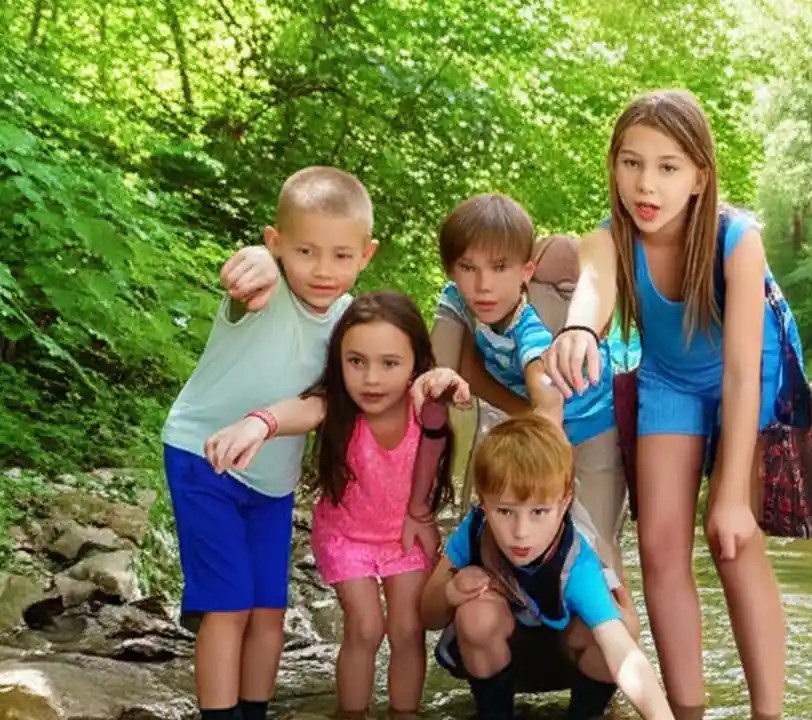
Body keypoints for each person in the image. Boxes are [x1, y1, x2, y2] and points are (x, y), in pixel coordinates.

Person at [541, 89, 804, 720]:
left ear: (699, 177)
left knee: (732, 539)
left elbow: (742, 373)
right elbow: (595, 288)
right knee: (659, 547)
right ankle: (687, 710)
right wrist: (578, 330)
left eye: (666, 167)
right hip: (668, 379)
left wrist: (733, 493)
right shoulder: (607, 237)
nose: (646, 184)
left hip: (748, 376)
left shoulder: (737, 239)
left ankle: (769, 712)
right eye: (631, 163)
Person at [160, 166, 377, 720]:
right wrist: (256, 266)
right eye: (306, 252)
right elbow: (248, 281)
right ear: (276, 243)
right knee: (227, 606)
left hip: (272, 479)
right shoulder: (266, 287)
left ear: (366, 255)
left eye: (341, 255)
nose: (323, 270)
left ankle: (252, 711)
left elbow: (333, 401)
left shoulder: (351, 321)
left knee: (268, 613)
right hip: (203, 454)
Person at [205, 291, 469, 718]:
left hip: (404, 529)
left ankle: (406, 713)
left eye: (389, 363)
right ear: (338, 361)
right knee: (366, 627)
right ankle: (351, 714)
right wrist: (260, 423)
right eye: (356, 361)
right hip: (346, 535)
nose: (371, 379)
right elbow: (299, 410)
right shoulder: (337, 406)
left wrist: (447, 381)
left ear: (416, 364)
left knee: (406, 629)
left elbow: (445, 404)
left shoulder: (424, 406)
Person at [412, 195, 632, 589]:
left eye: (499, 268)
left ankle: (614, 630)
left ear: (526, 272)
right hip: (535, 415)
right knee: (518, 527)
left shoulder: (527, 325)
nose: (483, 285)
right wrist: (440, 381)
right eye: (468, 268)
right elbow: (438, 367)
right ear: (450, 270)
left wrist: (539, 459)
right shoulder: (456, 300)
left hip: (595, 418)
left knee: (595, 540)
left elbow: (545, 396)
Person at [419, 415, 673, 720]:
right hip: (502, 655)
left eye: (539, 511)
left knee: (623, 624)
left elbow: (624, 654)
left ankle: (588, 713)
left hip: (565, 661)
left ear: (565, 503)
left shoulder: (576, 562)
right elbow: (427, 615)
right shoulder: (474, 533)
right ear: (483, 503)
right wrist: (450, 592)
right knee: (476, 614)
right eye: (505, 511)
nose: (521, 531)